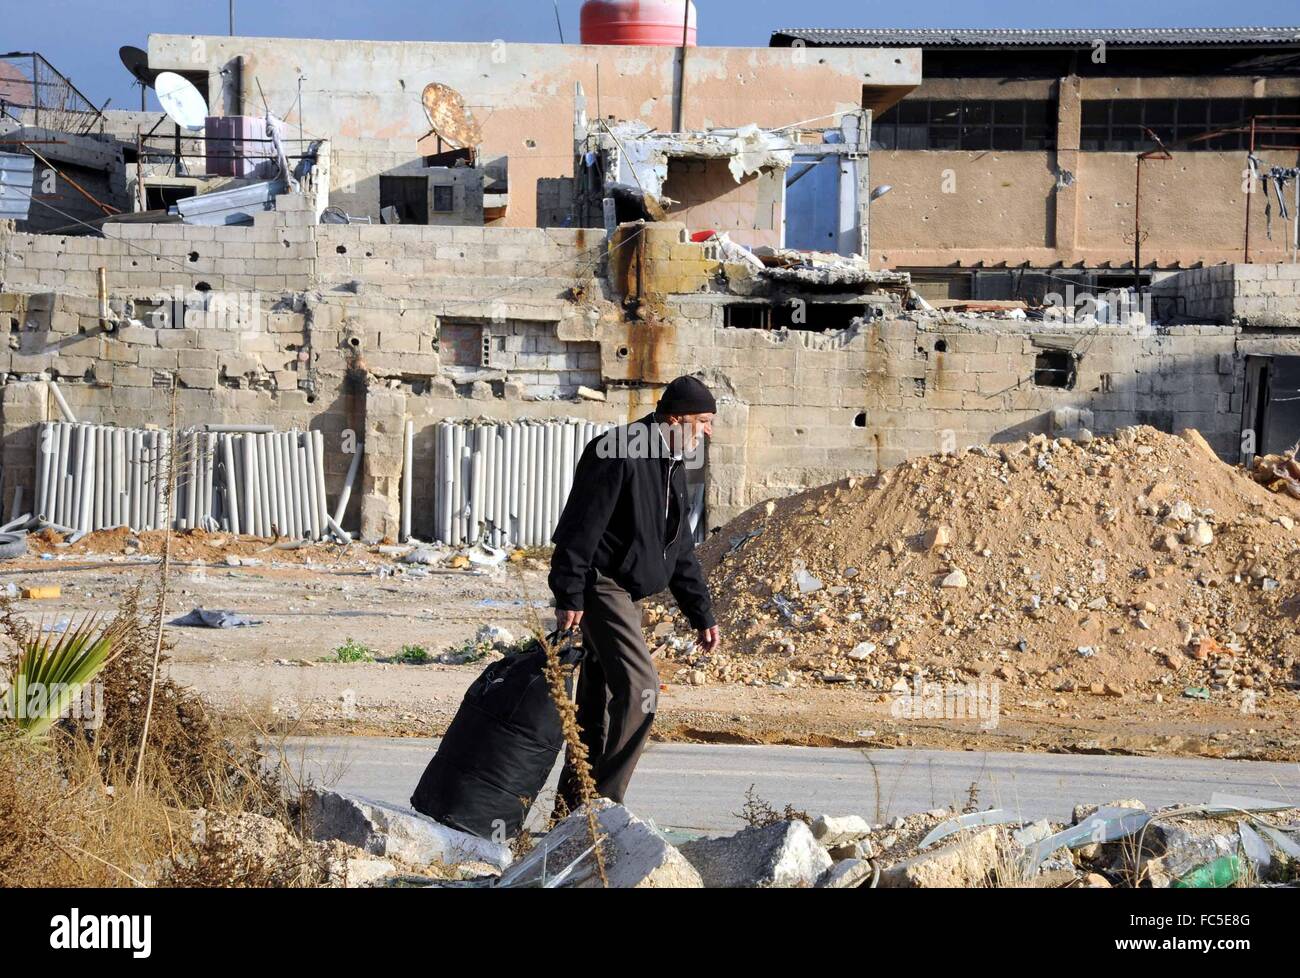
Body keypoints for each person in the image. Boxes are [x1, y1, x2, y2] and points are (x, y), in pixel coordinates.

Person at [549, 375, 720, 811]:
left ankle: (570, 813)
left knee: (596, 706)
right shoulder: (618, 451)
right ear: (676, 418)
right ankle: (605, 808)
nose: (708, 431)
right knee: (643, 690)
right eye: (702, 421)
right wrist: (569, 593)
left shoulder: (673, 462)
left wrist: (701, 613)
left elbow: (679, 548)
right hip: (601, 586)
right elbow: (579, 528)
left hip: (626, 592)